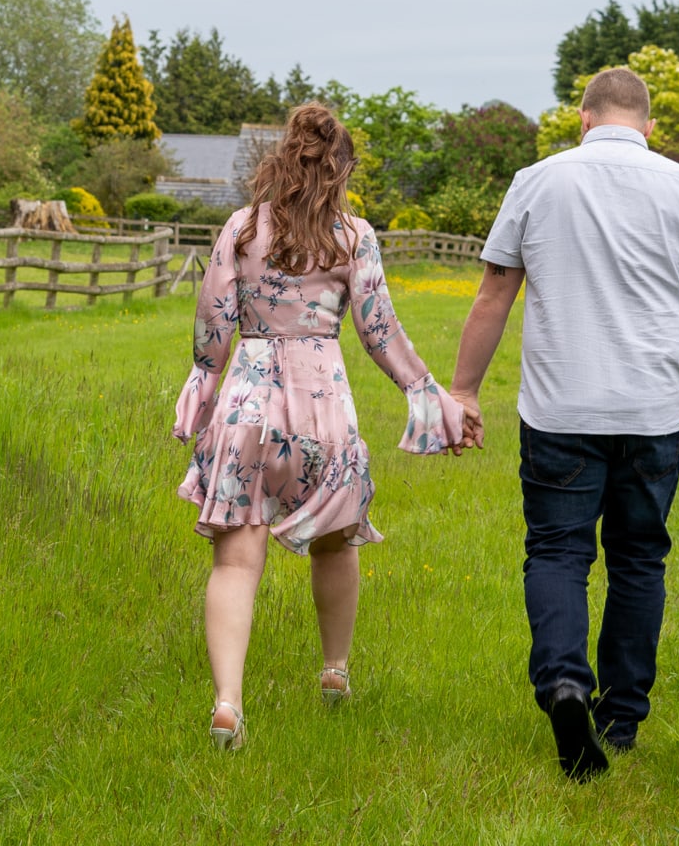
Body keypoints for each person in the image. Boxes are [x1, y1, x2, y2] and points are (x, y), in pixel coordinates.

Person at [449, 67, 679, 781]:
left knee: (557, 553)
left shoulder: (536, 181)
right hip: (655, 411)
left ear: (582, 121)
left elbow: (494, 294)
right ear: (648, 127)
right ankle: (620, 720)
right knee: (639, 559)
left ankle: (563, 684)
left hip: (559, 407)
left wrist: (463, 389)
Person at [173, 102, 465, 751]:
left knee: (236, 559)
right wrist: (427, 393)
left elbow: (215, 318)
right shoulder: (353, 238)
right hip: (321, 405)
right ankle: (334, 671)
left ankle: (227, 704)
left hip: (248, 401)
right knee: (337, 543)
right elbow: (379, 332)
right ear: (340, 171)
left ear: (284, 159)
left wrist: (202, 380)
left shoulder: (242, 228)